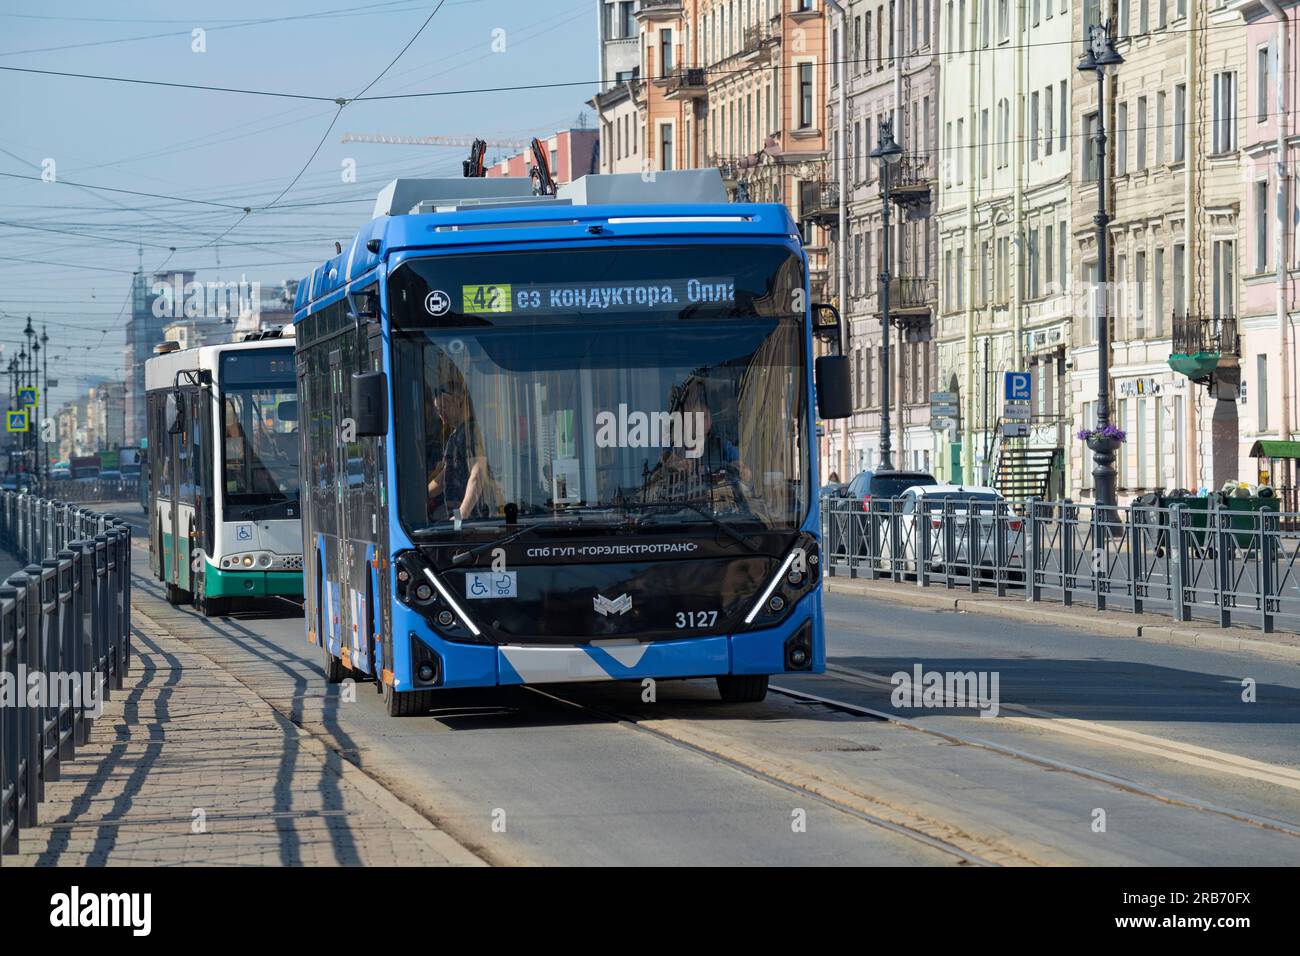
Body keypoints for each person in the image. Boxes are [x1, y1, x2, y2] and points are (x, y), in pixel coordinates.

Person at [426, 382, 490, 523]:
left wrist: (462, 514)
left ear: (458, 402)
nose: (441, 414)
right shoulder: (456, 435)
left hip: (470, 518)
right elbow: (445, 476)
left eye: (444, 407)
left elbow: (478, 473)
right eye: (438, 410)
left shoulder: (470, 432)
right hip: (458, 514)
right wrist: (422, 496)